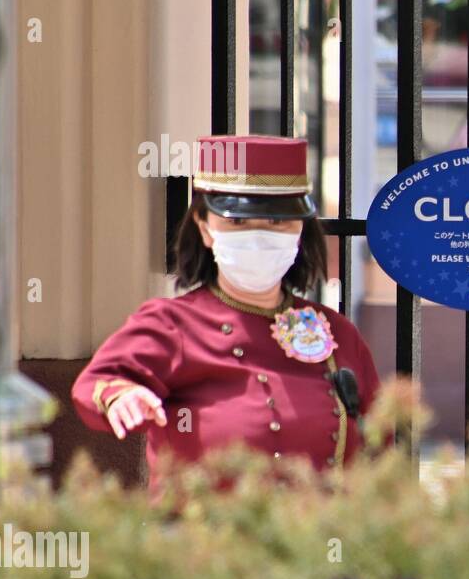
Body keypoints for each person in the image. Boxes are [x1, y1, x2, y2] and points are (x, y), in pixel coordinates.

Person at [72, 135, 381, 491]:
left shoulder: (336, 333)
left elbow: (381, 442)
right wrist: (122, 397)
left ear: (301, 230)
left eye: (278, 222)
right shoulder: (172, 325)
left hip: (317, 538)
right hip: (208, 540)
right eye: (238, 223)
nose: (260, 236)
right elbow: (97, 384)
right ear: (204, 228)